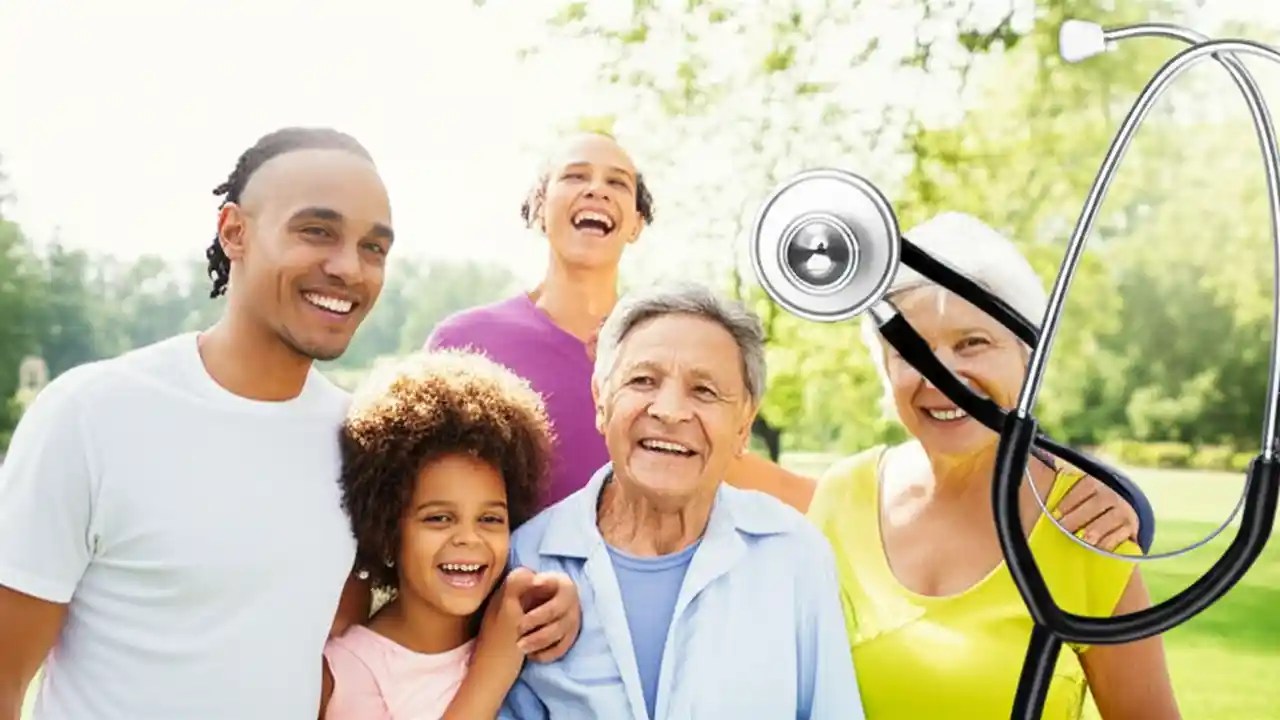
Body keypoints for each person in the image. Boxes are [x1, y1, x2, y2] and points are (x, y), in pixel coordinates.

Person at [0, 127, 575, 720]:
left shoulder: (358, 443)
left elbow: (398, 610)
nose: (349, 267)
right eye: (316, 231)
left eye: (374, 247)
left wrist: (552, 603)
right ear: (234, 232)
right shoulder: (92, 417)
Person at [806, 212, 1181, 719]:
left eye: (972, 343)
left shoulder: (1086, 524)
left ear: (1026, 359)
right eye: (911, 351)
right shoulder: (840, 495)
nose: (942, 376)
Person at [498, 283, 866, 719]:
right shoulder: (527, 561)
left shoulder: (794, 555)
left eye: (705, 391)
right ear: (601, 401)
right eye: (643, 381)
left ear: (744, 424)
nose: (670, 412)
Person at [426, 130, 816, 513]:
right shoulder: (466, 343)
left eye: (618, 182)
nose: (597, 189)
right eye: (575, 176)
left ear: (636, 224)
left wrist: (867, 492)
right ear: (540, 207)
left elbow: (726, 464)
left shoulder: (670, 347)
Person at [322, 350, 577, 719]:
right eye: (439, 518)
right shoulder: (353, 671)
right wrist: (492, 670)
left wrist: (564, 602)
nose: (469, 538)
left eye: (490, 519)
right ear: (387, 530)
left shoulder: (512, 618)